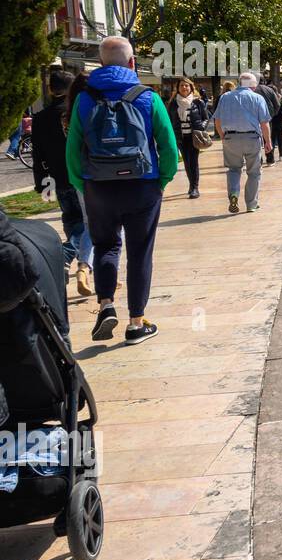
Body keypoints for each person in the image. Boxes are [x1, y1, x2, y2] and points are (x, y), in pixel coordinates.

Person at [65, 36, 178, 345]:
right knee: (140, 252)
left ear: (100, 64)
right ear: (132, 63)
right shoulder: (148, 97)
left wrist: (82, 183)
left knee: (105, 246)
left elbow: (73, 148)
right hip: (142, 185)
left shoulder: (84, 99)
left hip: (98, 186)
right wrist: (162, 180)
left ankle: (105, 305)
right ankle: (136, 323)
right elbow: (168, 147)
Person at [29, 69, 93, 296]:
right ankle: (67, 254)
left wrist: (41, 183)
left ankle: (70, 259)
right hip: (78, 175)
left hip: (56, 178)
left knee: (71, 219)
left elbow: (38, 154)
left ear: (50, 89)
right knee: (87, 224)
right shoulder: (73, 110)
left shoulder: (40, 117)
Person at [213, 72, 271, 215]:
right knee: (254, 172)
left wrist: (223, 137)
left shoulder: (225, 97)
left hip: (230, 138)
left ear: (239, 82)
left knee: (233, 169)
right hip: (251, 138)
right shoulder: (257, 98)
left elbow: (217, 121)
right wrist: (268, 141)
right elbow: (264, 123)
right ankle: (251, 204)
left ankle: (234, 194)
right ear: (253, 85)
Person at [167, 78, 209, 199]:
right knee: (186, 162)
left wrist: (201, 127)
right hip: (181, 137)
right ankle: (192, 185)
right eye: (181, 86)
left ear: (191, 87)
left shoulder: (198, 102)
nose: (184, 88)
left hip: (194, 137)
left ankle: (194, 188)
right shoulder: (173, 103)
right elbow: (169, 120)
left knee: (194, 162)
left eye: (186, 86)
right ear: (178, 88)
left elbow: (206, 118)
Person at [252, 79, 281, 165]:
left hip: (254, 117)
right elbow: (277, 104)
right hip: (267, 117)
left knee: (256, 138)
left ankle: (259, 160)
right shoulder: (269, 90)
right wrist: (272, 115)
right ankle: (270, 159)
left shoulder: (252, 90)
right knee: (268, 137)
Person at [270, 93, 282, 164]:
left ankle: (272, 157)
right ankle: (281, 156)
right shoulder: (281, 105)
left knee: (272, 141)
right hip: (279, 125)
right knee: (280, 140)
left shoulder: (270, 105)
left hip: (272, 124)